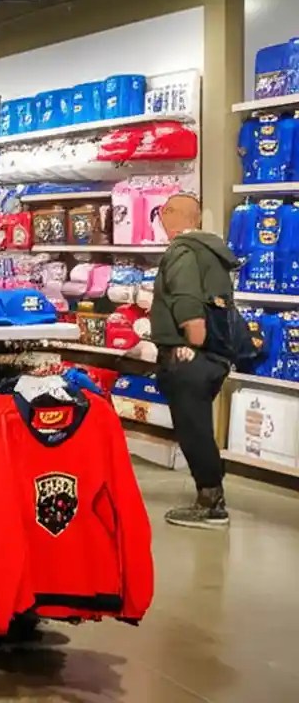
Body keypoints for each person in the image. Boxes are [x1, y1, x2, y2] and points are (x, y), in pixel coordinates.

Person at [150, 193, 238, 529]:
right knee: (198, 426)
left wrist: (190, 345)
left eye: (162, 212)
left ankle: (211, 504)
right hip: (215, 356)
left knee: (194, 430)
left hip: (190, 357)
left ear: (170, 214)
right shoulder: (210, 251)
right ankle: (211, 494)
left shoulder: (182, 251)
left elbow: (187, 301)